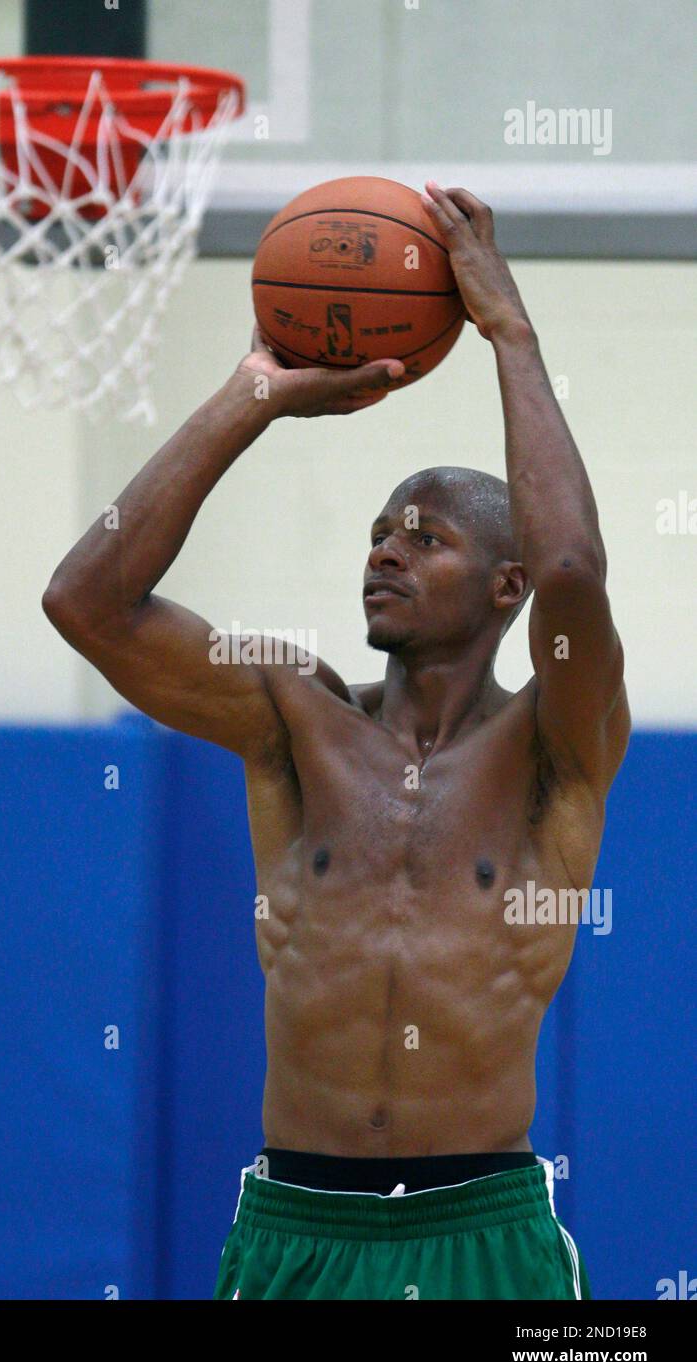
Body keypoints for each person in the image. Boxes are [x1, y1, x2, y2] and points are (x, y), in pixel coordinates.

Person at [42, 182, 629, 1300]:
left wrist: (507, 331)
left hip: (482, 1233)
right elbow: (88, 602)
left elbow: (571, 573)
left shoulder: (557, 742)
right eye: (374, 534)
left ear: (501, 585)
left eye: (425, 536)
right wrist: (251, 397)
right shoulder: (292, 712)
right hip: (295, 1229)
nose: (385, 552)